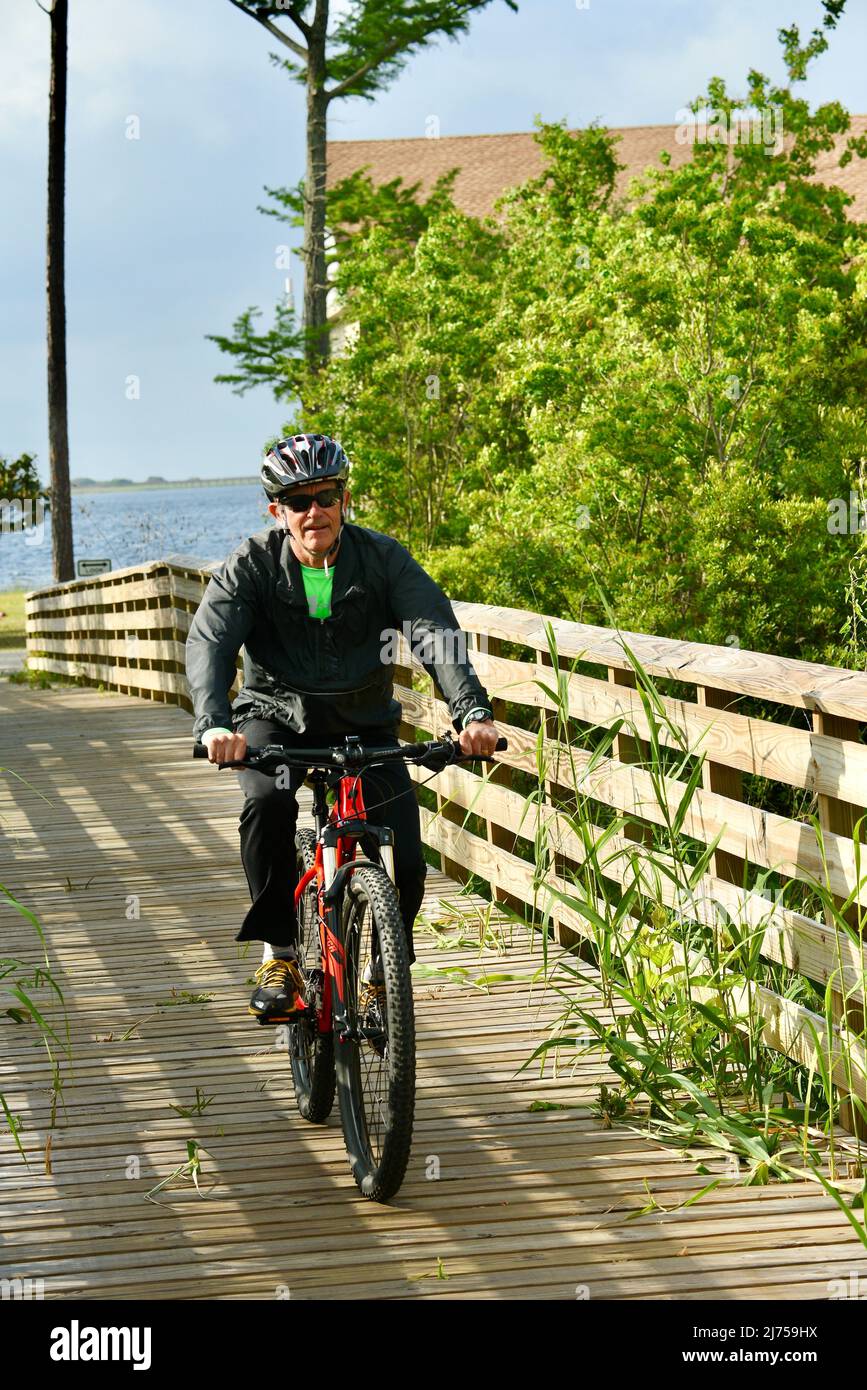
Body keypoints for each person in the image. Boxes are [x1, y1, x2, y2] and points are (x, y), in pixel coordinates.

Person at [185, 433, 499, 1024]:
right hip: (274, 721)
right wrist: (214, 725)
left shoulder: (382, 559)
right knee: (267, 804)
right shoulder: (249, 567)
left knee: (404, 858)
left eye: (325, 496)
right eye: (297, 500)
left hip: (365, 723)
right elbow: (211, 642)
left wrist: (470, 711)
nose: (313, 512)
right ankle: (279, 954)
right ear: (275, 509)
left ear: (343, 497)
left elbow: (434, 632)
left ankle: (383, 977)